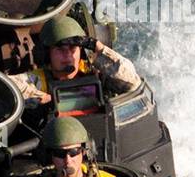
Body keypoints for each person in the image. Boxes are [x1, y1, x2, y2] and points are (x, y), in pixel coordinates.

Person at [11, 14, 141, 108]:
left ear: (81, 51)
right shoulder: (38, 81)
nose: (68, 55)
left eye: (73, 48)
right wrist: (47, 98)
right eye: (60, 49)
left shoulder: (95, 73)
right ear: (47, 54)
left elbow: (133, 84)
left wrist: (96, 46)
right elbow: (8, 88)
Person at [27, 116, 118, 177]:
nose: (68, 161)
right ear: (50, 156)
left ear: (84, 152)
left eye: (74, 152)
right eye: (60, 153)